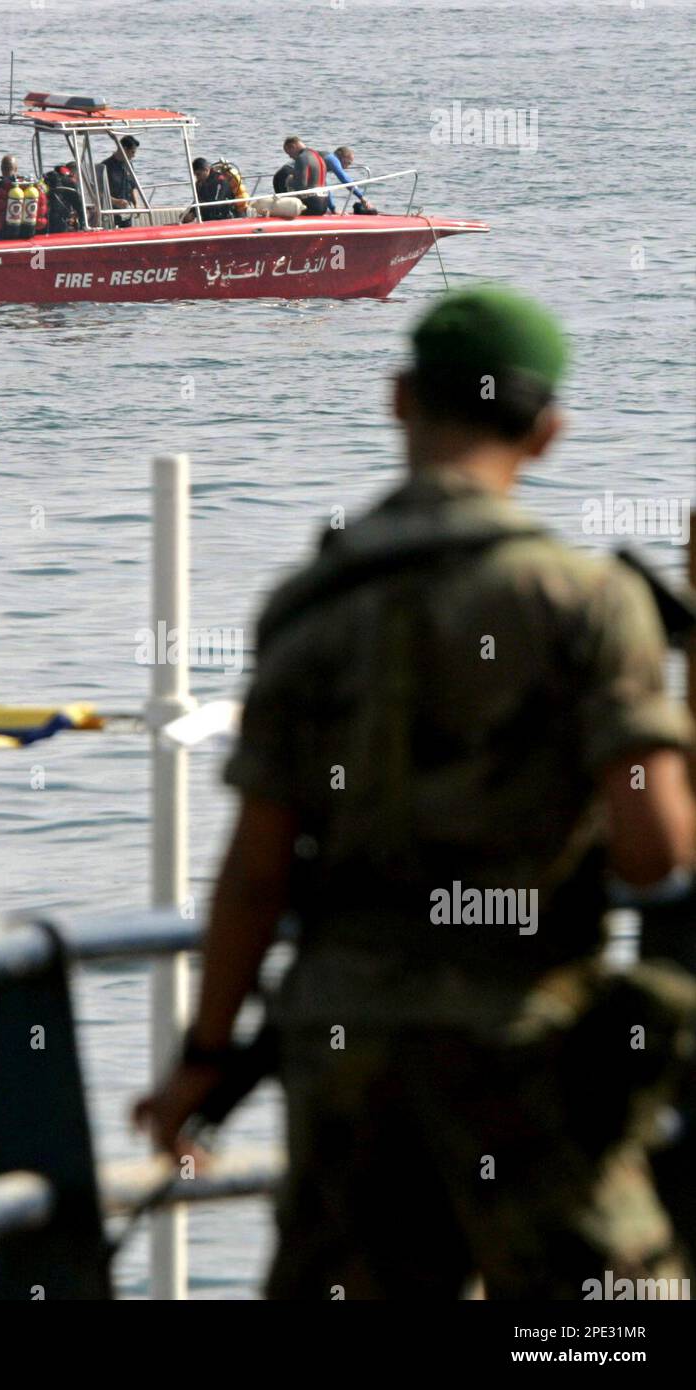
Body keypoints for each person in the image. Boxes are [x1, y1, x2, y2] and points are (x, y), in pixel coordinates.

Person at [136, 285, 696, 1300]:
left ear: (399, 399)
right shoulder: (590, 603)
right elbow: (656, 848)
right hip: (520, 1042)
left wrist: (202, 1062)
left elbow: (255, 873)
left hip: (342, 1050)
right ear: (549, 432)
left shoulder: (306, 609)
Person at [320, 145, 377, 214]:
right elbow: (345, 179)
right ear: (343, 158)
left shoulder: (324, 161)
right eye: (348, 163)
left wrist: (333, 209)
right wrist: (361, 197)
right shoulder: (333, 159)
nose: (347, 167)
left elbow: (324, 187)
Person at [181, 158, 238, 222]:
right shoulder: (199, 184)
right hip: (207, 219)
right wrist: (189, 213)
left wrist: (194, 213)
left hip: (223, 218)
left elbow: (216, 204)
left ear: (206, 169)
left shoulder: (220, 181)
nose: (197, 177)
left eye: (198, 174)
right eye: (195, 175)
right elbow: (198, 201)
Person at [281, 136, 328, 215]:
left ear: (293, 147)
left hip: (311, 206)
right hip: (324, 205)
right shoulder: (318, 156)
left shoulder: (302, 158)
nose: (290, 157)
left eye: (289, 153)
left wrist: (289, 181)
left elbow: (301, 186)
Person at [102, 135, 140, 229]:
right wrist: (116, 201)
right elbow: (99, 192)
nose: (134, 156)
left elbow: (133, 186)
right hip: (112, 212)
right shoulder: (106, 166)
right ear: (124, 149)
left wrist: (136, 204)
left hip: (126, 212)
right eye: (132, 152)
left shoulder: (129, 164)